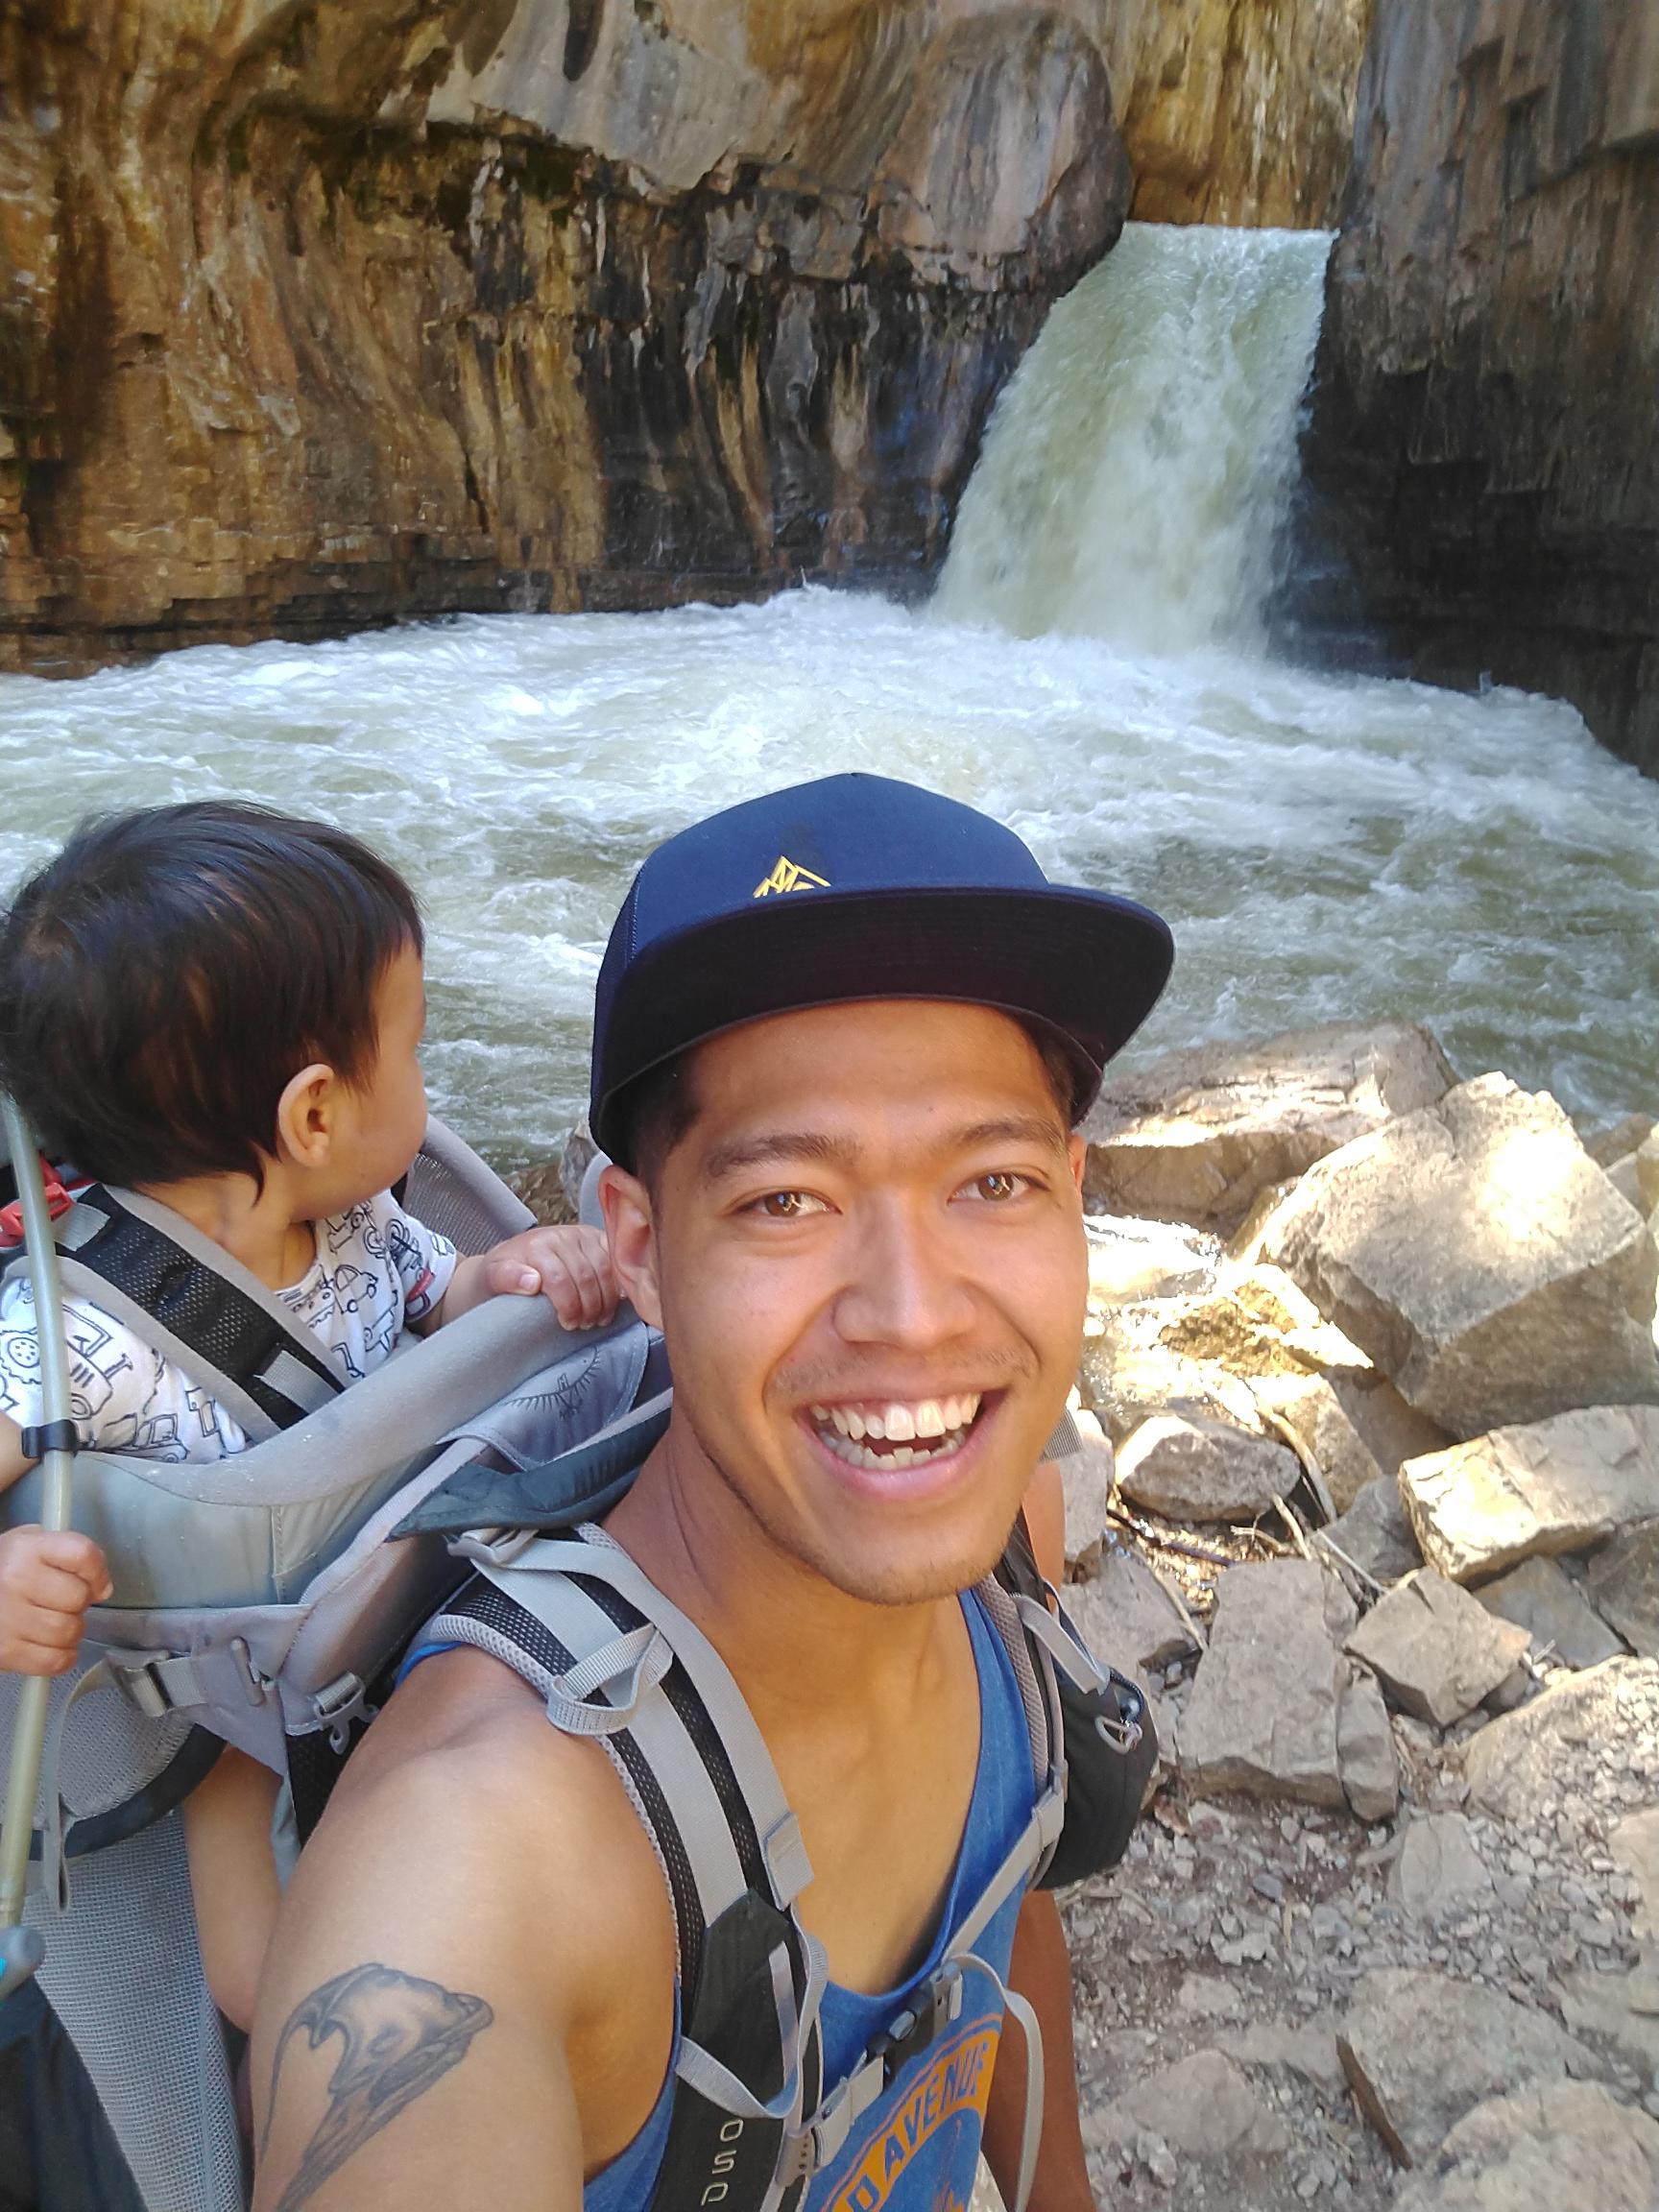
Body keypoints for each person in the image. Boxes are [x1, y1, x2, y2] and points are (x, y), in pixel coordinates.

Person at [252, 773, 1173, 2212]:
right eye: (784, 1201)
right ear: (637, 1249)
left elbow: (1009, 1894)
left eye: (992, 1183)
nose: (914, 1316)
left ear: (1074, 1187)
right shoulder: (469, 1885)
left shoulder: (997, 1549)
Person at [0, 802, 620, 2032]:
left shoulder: (357, 1218)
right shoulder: (66, 1341)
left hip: (398, 1591)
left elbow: (439, 1296)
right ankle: (309, 2063)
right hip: (225, 1694)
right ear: (316, 1116)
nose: (427, 1083)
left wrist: (512, 1274)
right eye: (415, 1049)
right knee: (266, 1960)